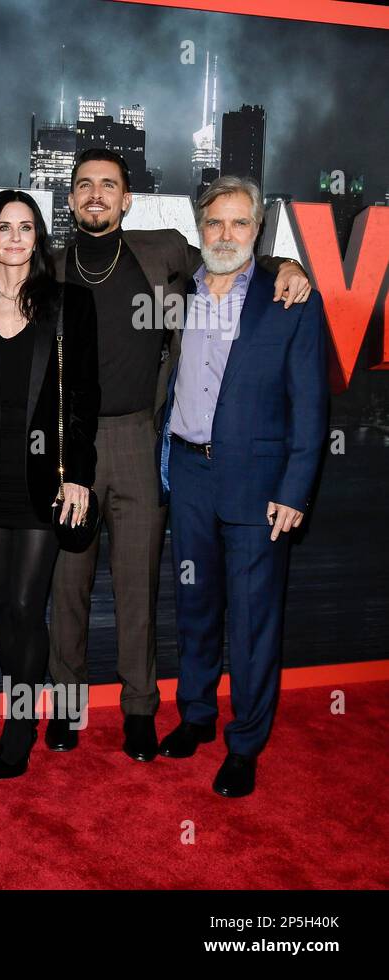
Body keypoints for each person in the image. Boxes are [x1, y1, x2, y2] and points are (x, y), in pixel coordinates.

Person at [46, 148, 312, 761]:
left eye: (107, 185)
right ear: (71, 198)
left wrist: (289, 263)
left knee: (140, 586)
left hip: (143, 439)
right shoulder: (50, 265)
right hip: (71, 446)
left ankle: (140, 709)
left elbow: (234, 256)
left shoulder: (164, 250)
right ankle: (66, 707)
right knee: (68, 585)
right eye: (84, 185)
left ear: (126, 198)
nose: (95, 194)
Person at [156, 176, 327, 798]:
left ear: (259, 230)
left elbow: (311, 406)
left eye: (239, 224)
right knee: (196, 609)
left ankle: (246, 743)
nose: (225, 235)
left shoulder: (290, 297)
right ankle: (196, 716)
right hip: (188, 472)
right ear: (200, 228)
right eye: (214, 224)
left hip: (259, 485)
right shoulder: (179, 292)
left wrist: (295, 488)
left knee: (253, 621)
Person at [0, 190, 99, 779]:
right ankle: (20, 710)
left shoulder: (68, 304)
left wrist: (80, 478)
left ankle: (21, 723)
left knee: (24, 602)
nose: (15, 238)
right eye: (4, 227)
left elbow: (85, 396)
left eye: (26, 227)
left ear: (39, 237)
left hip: (44, 480)